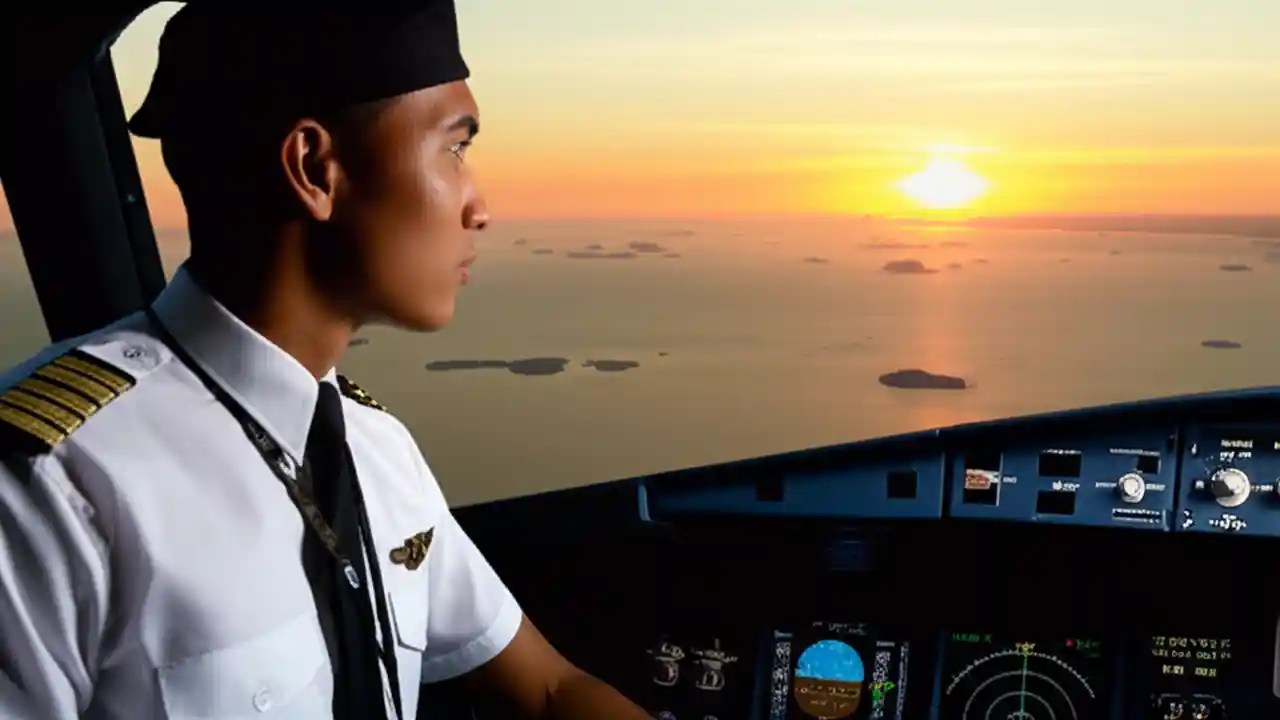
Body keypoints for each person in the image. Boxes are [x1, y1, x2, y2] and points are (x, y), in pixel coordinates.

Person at [0, 2, 650, 718]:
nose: (480, 206)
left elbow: (551, 690)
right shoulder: (49, 491)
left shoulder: (374, 451)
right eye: (454, 148)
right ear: (314, 169)